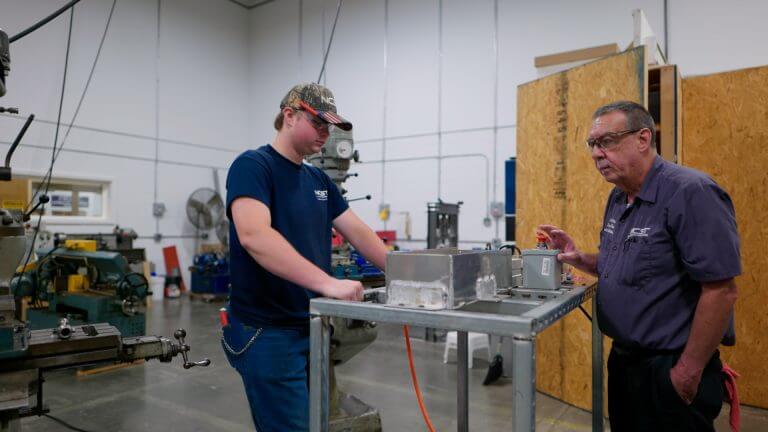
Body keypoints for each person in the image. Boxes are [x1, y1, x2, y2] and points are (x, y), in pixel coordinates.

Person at [538, 101, 740, 432]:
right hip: (624, 364)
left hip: (669, 368)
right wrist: (579, 257)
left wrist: (687, 372)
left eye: (607, 141)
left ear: (643, 139)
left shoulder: (691, 192)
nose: (596, 153)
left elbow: (721, 291)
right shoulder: (618, 198)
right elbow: (624, 265)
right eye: (592, 144)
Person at [222, 83, 389, 431]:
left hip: (313, 327)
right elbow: (254, 236)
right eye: (318, 123)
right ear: (289, 116)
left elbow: (358, 232)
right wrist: (328, 283)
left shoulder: (318, 179)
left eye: (330, 126)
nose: (325, 133)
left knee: (318, 422)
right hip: (268, 331)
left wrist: (412, 273)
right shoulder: (253, 166)